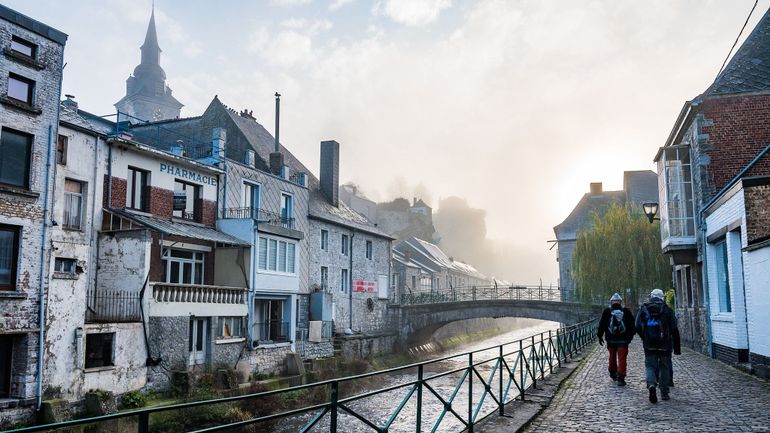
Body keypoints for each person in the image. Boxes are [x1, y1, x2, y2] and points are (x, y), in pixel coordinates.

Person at [636, 289, 681, 403]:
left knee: (650, 366)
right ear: (662, 297)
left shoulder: (644, 309)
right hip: (665, 344)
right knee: (664, 366)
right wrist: (677, 348)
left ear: (651, 296)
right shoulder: (667, 310)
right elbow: (674, 329)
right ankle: (664, 392)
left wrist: (644, 337)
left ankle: (651, 385)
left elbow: (637, 325)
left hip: (649, 344)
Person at [596, 293, 635, 386]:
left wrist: (600, 336)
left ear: (611, 302)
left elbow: (602, 325)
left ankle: (613, 373)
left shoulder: (607, 311)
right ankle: (621, 378)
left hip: (611, 340)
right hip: (623, 341)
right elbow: (632, 326)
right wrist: (629, 338)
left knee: (612, 357)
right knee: (622, 358)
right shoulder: (626, 311)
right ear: (620, 302)